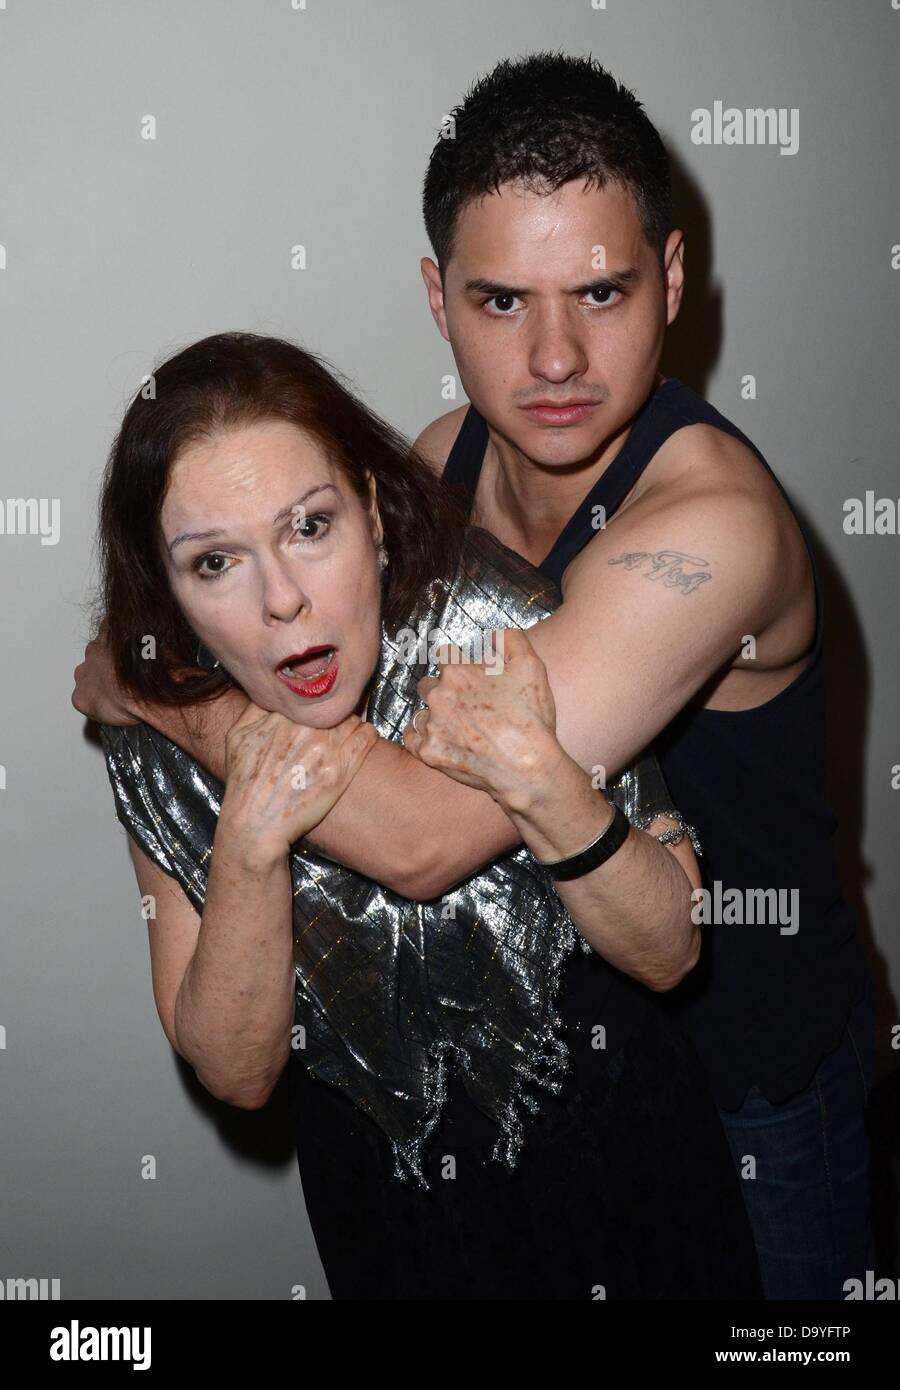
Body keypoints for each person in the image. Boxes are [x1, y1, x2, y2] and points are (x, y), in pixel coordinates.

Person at [74, 50, 876, 1299]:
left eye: (601, 292)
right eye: (504, 303)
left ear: (672, 279)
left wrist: (160, 692)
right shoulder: (447, 458)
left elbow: (436, 833)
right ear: (438, 300)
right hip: (571, 1073)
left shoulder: (713, 526)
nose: (554, 357)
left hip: (753, 1066)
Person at [84, 330, 761, 1300]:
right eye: (215, 563)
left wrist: (543, 779)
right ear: (172, 593)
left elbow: (671, 950)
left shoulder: (494, 621)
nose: (282, 599)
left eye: (309, 527)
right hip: (386, 1200)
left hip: (619, 1160)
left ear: (371, 510)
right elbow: (238, 1073)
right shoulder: (159, 748)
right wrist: (249, 841)